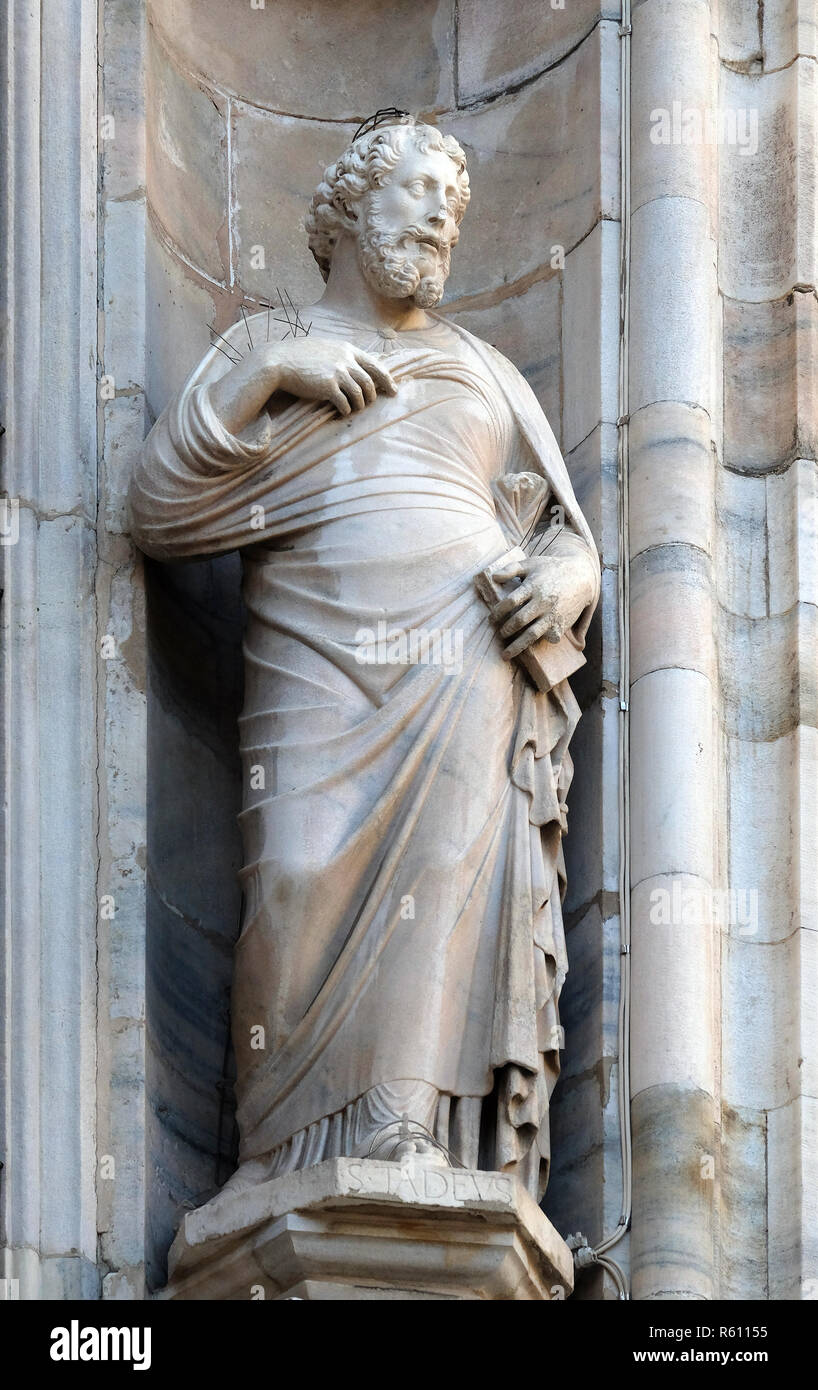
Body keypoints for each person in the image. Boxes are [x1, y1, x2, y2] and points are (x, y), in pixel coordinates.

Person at [130, 112, 600, 1200]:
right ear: (349, 206)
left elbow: (567, 532)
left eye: (454, 202)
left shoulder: (481, 369)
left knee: (439, 885)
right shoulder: (265, 345)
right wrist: (270, 378)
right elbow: (159, 507)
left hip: (462, 666)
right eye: (417, 190)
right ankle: (274, 1159)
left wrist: (568, 579)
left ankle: (403, 1131)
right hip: (314, 663)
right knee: (293, 874)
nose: (440, 215)